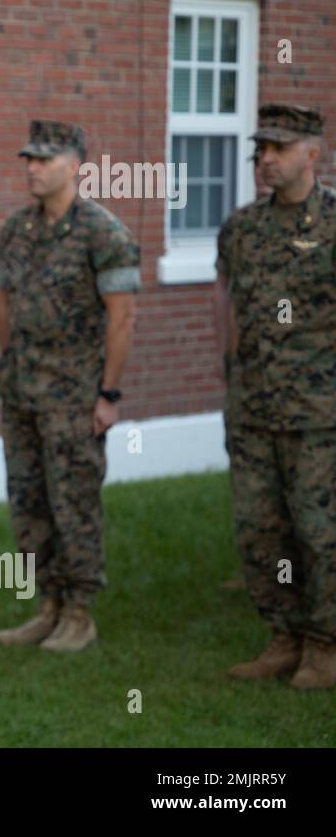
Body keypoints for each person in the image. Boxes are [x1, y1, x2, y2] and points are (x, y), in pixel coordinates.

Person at [0, 120, 138, 652]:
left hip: (76, 399)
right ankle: (48, 604)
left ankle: (79, 611)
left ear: (75, 167)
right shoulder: (15, 230)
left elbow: (122, 320)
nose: (32, 168)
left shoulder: (104, 234)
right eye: (28, 159)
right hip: (22, 392)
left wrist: (109, 395)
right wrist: (14, 363)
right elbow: (3, 305)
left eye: (44, 160)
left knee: (73, 502)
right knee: (29, 503)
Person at [216, 103, 336, 690]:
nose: (265, 158)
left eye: (279, 148)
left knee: (320, 530)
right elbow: (228, 302)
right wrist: (230, 377)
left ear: (312, 153)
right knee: (260, 528)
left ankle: (324, 645)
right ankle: (283, 636)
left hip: (320, 415)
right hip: (254, 408)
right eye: (260, 148)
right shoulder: (243, 227)